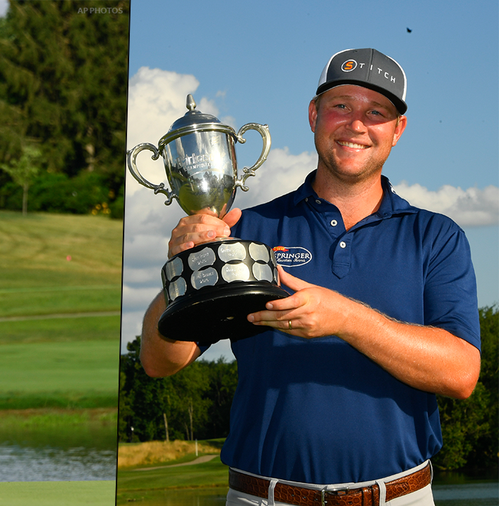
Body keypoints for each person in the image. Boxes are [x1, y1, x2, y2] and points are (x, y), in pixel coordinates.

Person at [139, 48, 481, 506]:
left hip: (400, 497)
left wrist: (347, 319)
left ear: (397, 130)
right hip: (263, 497)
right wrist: (182, 267)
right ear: (314, 114)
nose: (357, 124)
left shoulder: (435, 236)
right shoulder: (246, 229)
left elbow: (461, 373)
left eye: (376, 112)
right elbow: (161, 361)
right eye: (341, 106)